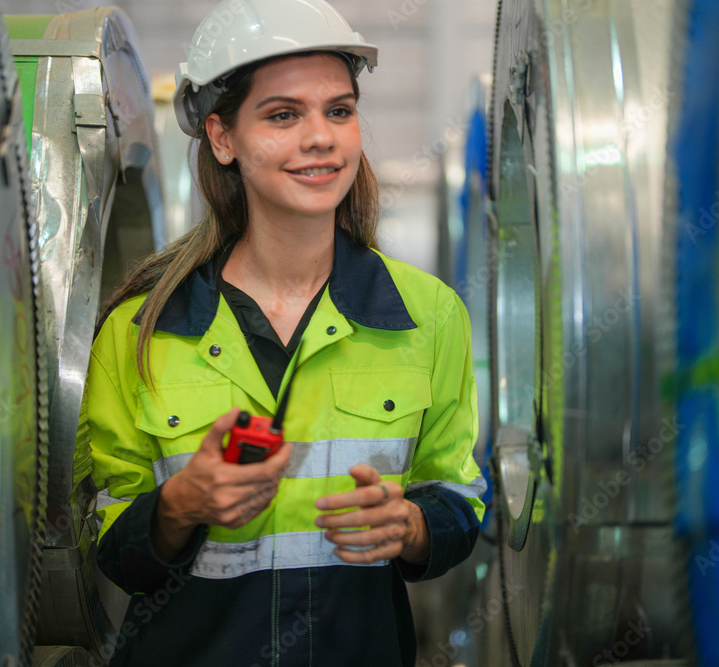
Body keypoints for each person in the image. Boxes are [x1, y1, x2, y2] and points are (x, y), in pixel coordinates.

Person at [82, 0, 486, 664]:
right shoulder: (143, 330)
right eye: (282, 115)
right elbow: (112, 546)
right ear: (221, 138)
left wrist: (412, 524)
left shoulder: (427, 315)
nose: (322, 137)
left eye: (339, 109)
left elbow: (460, 496)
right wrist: (179, 505)